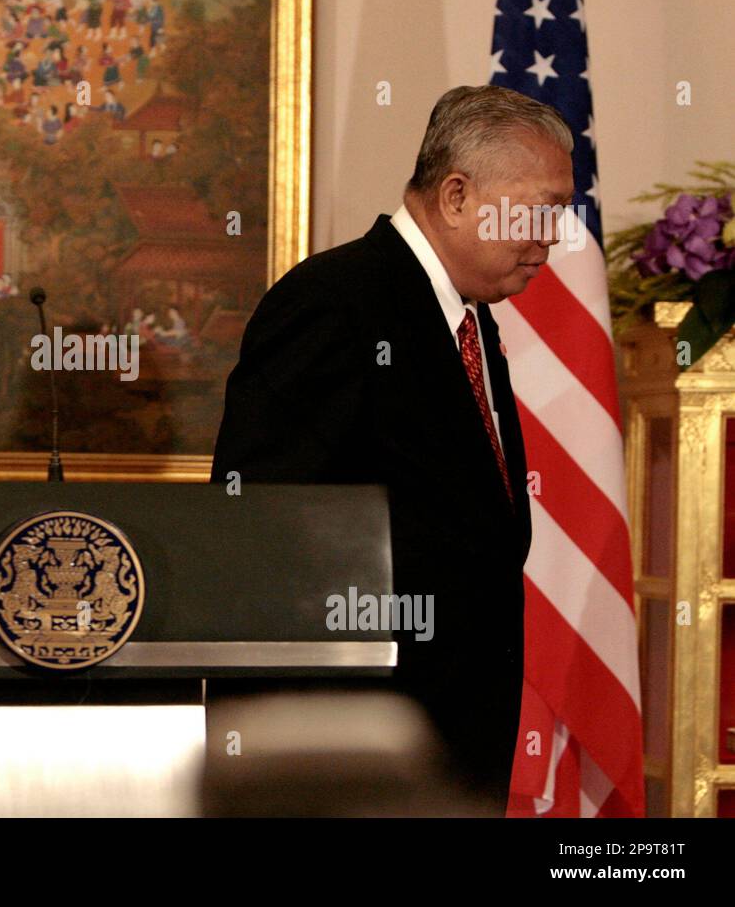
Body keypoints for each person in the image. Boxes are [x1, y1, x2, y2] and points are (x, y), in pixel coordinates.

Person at [210, 85, 574, 815]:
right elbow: (261, 539)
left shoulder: (469, 320)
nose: (551, 236)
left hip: (449, 753)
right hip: (352, 767)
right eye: (540, 208)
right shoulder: (334, 304)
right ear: (457, 194)